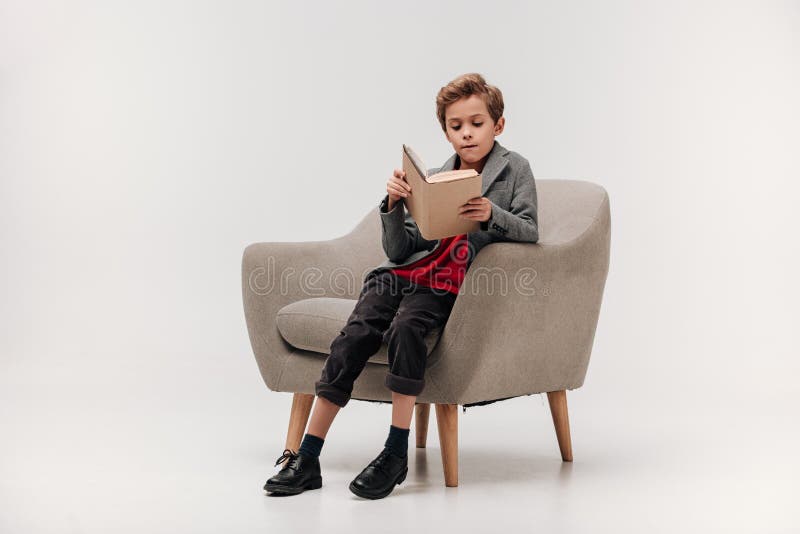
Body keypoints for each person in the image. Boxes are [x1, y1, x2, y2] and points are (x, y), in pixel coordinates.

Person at [264, 72, 539, 499]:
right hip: (401, 273)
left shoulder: (514, 169)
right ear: (446, 132)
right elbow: (399, 248)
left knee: (407, 329)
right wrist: (393, 205)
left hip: (446, 282)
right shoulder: (435, 176)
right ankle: (307, 457)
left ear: (497, 125)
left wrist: (491, 214)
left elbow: (530, 230)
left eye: (477, 123)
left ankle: (395, 454)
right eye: (456, 126)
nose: (466, 133)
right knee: (355, 335)